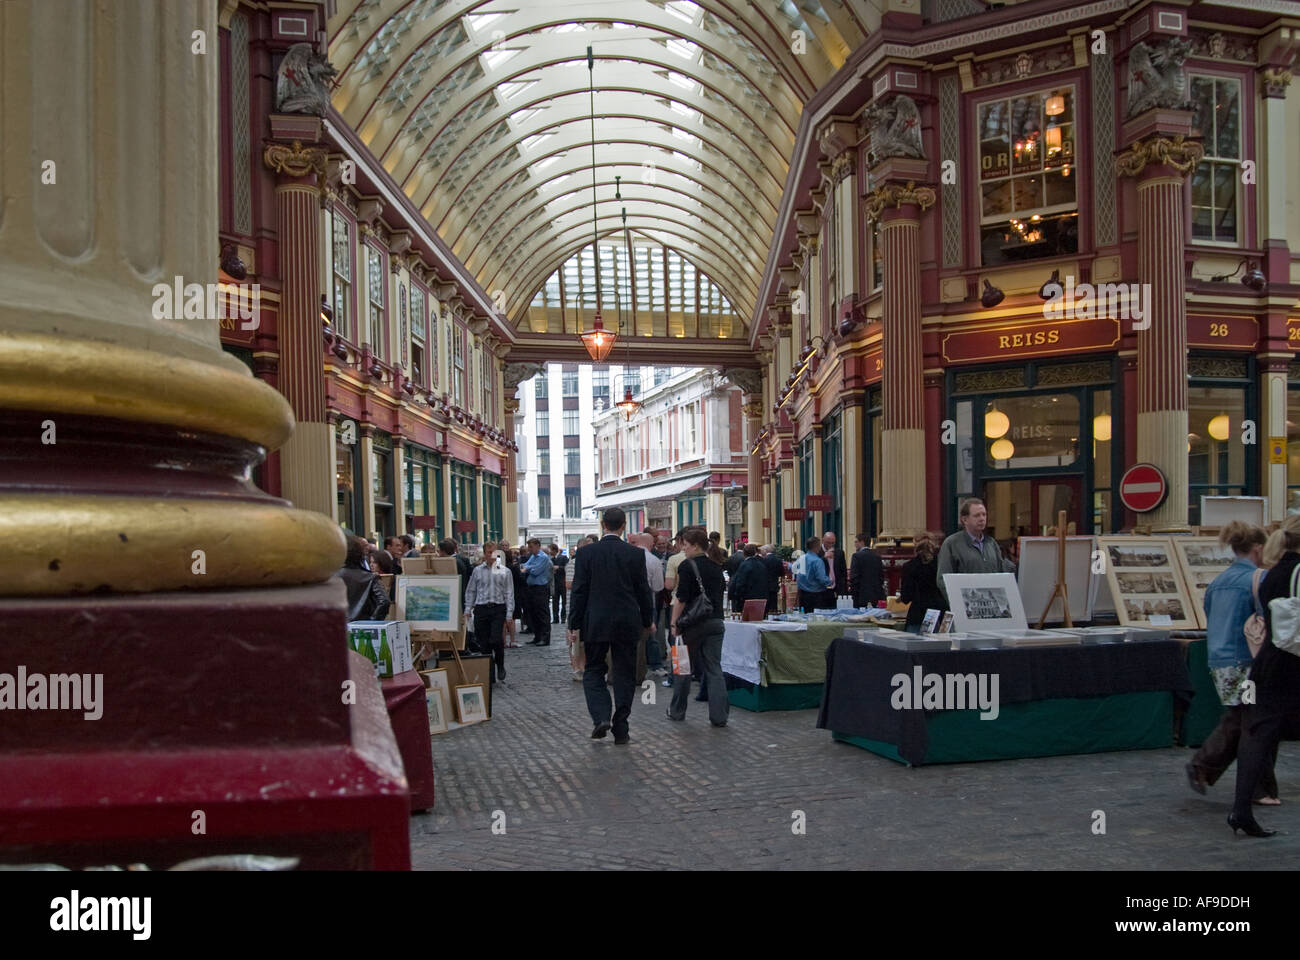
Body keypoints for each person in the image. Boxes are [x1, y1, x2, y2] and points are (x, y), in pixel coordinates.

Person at [1186, 522, 1276, 803]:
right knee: (1252, 722)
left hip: (1220, 660)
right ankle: (1251, 785)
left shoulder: (1217, 582)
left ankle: (1207, 767)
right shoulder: (1258, 579)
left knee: (1242, 718)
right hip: (1247, 658)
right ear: (1259, 548)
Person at [1229, 514, 1300, 837]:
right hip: (1293, 664)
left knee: (1256, 735)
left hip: (1269, 662)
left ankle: (1241, 809)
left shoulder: (1270, 574)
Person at [568, 507, 654, 745]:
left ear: (603, 525)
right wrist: (648, 621)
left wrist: (573, 623)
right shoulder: (635, 554)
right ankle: (621, 726)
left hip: (595, 621)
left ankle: (601, 716)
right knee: (625, 673)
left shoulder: (586, 554)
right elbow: (643, 592)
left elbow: (579, 591)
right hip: (627, 621)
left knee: (594, 670)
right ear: (623, 525)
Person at [667, 528, 729, 727]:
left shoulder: (687, 566)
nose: (682, 548)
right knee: (714, 668)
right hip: (716, 621)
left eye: (684, 545)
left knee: (682, 668)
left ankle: (677, 710)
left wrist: (674, 623)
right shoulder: (716, 566)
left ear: (694, 546)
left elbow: (681, 598)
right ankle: (719, 716)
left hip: (691, 625)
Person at [935, 498, 1016, 603]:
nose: (982, 519)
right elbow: (943, 580)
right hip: (967, 606)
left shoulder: (991, 543)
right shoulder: (951, 544)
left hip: (992, 606)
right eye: (977, 515)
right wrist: (958, 604)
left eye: (984, 514)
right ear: (964, 520)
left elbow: (1002, 573)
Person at [464, 541, 515, 684]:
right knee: (484, 643)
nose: (491, 556)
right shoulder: (477, 571)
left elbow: (509, 593)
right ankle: (489, 671)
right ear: (484, 553)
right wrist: (468, 608)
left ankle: (500, 664)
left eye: (494, 552)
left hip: (498, 608)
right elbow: (471, 590)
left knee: (496, 639)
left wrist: (509, 613)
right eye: (488, 552)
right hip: (481, 608)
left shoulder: (505, 571)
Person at [634, 533, 667, 676]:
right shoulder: (654, 560)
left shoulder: (626, 557)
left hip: (629, 603)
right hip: (648, 602)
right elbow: (659, 586)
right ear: (651, 544)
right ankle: (655, 665)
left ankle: (634, 664)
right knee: (651, 635)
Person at [899, 531, 946, 633]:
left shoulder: (909, 567)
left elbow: (906, 597)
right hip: (940, 615)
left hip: (918, 615)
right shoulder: (941, 564)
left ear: (915, 545)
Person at [336, 535, 391, 621]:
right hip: (363, 627)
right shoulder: (370, 577)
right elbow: (384, 601)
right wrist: (372, 622)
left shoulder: (329, 577)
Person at [521, 538, 554, 646]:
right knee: (533, 613)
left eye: (531, 547)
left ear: (537, 546)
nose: (529, 549)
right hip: (531, 588)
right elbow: (524, 565)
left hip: (540, 588)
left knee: (542, 613)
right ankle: (537, 636)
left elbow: (536, 571)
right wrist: (528, 567)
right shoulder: (533, 557)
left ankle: (545, 637)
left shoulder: (543, 557)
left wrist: (528, 568)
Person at [727, 543, 769, 614]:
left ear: (744, 553)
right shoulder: (762, 565)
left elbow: (741, 582)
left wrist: (737, 595)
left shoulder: (744, 565)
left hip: (747, 598)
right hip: (761, 598)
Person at [794, 536, 833, 612]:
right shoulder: (817, 561)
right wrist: (830, 581)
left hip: (803, 594)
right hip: (816, 595)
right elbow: (821, 578)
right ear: (817, 547)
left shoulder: (800, 559)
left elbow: (797, 575)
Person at [848, 533, 886, 609]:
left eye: (856, 542)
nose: (855, 544)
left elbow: (854, 577)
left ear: (862, 542)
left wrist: (853, 591)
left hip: (861, 595)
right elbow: (881, 576)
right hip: (876, 594)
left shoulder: (856, 556)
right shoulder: (877, 557)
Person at [438, 538, 472, 608]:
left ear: (443, 551)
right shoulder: (459, 560)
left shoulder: (453, 562)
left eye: (439, 551)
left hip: (457, 596)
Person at [822, 531, 849, 599]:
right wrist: (823, 557)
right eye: (828, 542)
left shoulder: (839, 553)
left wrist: (843, 589)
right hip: (822, 588)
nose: (830, 545)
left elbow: (843, 572)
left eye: (833, 543)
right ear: (823, 540)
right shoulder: (818, 552)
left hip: (837, 588)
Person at [760, 544, 784, 614]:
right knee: (774, 603)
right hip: (774, 584)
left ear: (766, 550)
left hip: (765, 585)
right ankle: (774, 615)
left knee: (766, 604)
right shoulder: (778, 560)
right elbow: (781, 573)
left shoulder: (764, 560)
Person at [549, 543, 569, 624]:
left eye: (550, 550)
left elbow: (567, 568)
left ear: (554, 550)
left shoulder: (563, 557)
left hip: (563, 583)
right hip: (555, 583)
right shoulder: (551, 559)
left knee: (564, 601)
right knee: (555, 601)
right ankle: (555, 618)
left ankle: (563, 618)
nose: (550, 552)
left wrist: (559, 567)